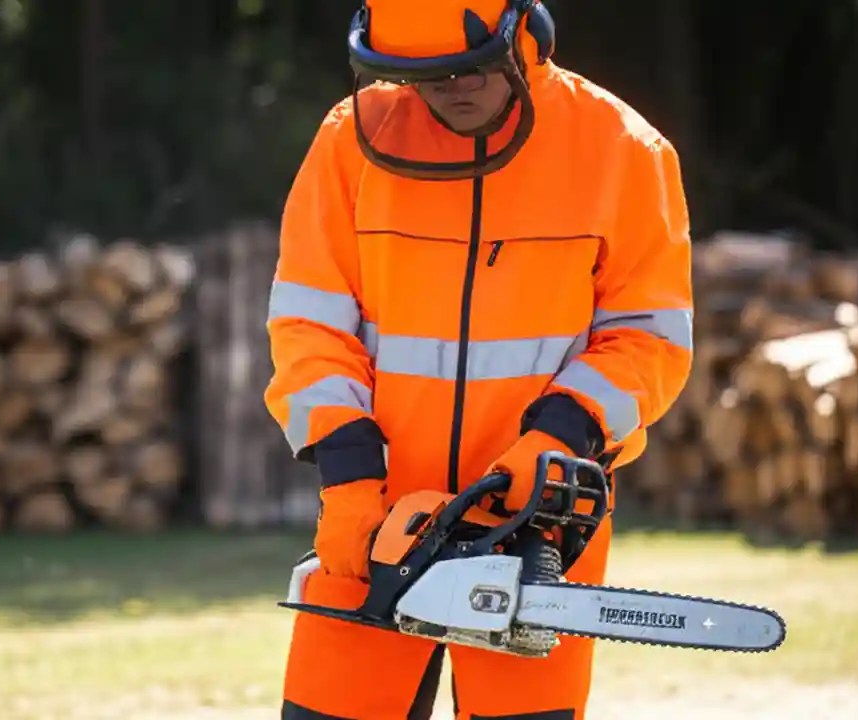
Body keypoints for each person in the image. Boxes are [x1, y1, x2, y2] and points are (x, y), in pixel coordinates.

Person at [263, 1, 694, 717]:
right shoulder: (350, 141)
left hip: (540, 514)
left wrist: (562, 437)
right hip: (376, 516)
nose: (453, 89)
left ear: (525, 39)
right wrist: (346, 477)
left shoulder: (621, 148)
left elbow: (649, 335)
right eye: (429, 77)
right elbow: (309, 323)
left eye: (472, 69)